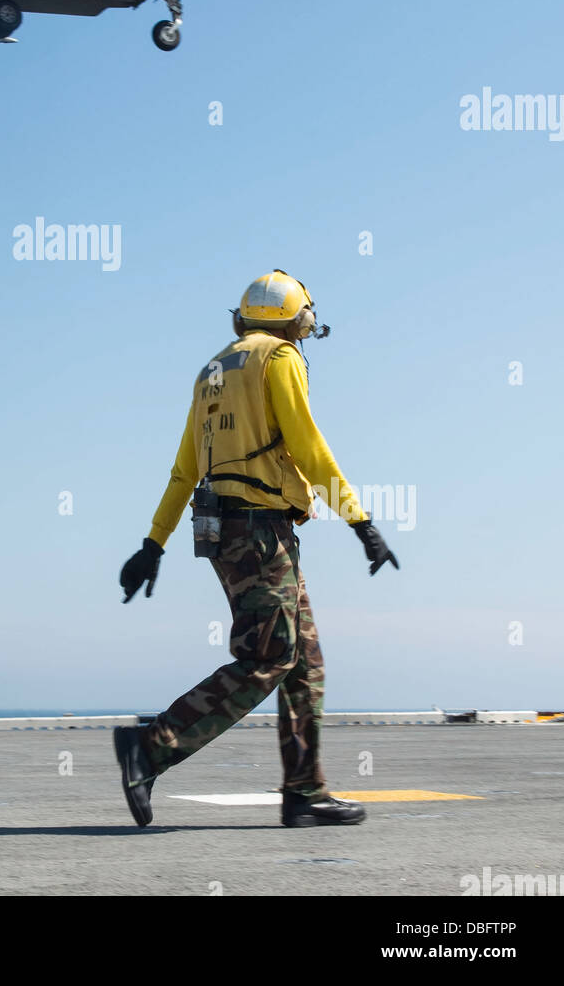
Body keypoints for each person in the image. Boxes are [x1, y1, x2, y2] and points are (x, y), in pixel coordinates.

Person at [113, 270, 398, 828]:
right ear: (299, 320)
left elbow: (184, 469)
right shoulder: (280, 360)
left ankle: (304, 792)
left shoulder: (213, 370)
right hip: (260, 531)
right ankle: (151, 745)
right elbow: (308, 446)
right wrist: (361, 522)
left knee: (303, 662)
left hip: (227, 530)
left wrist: (153, 543)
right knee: (268, 657)